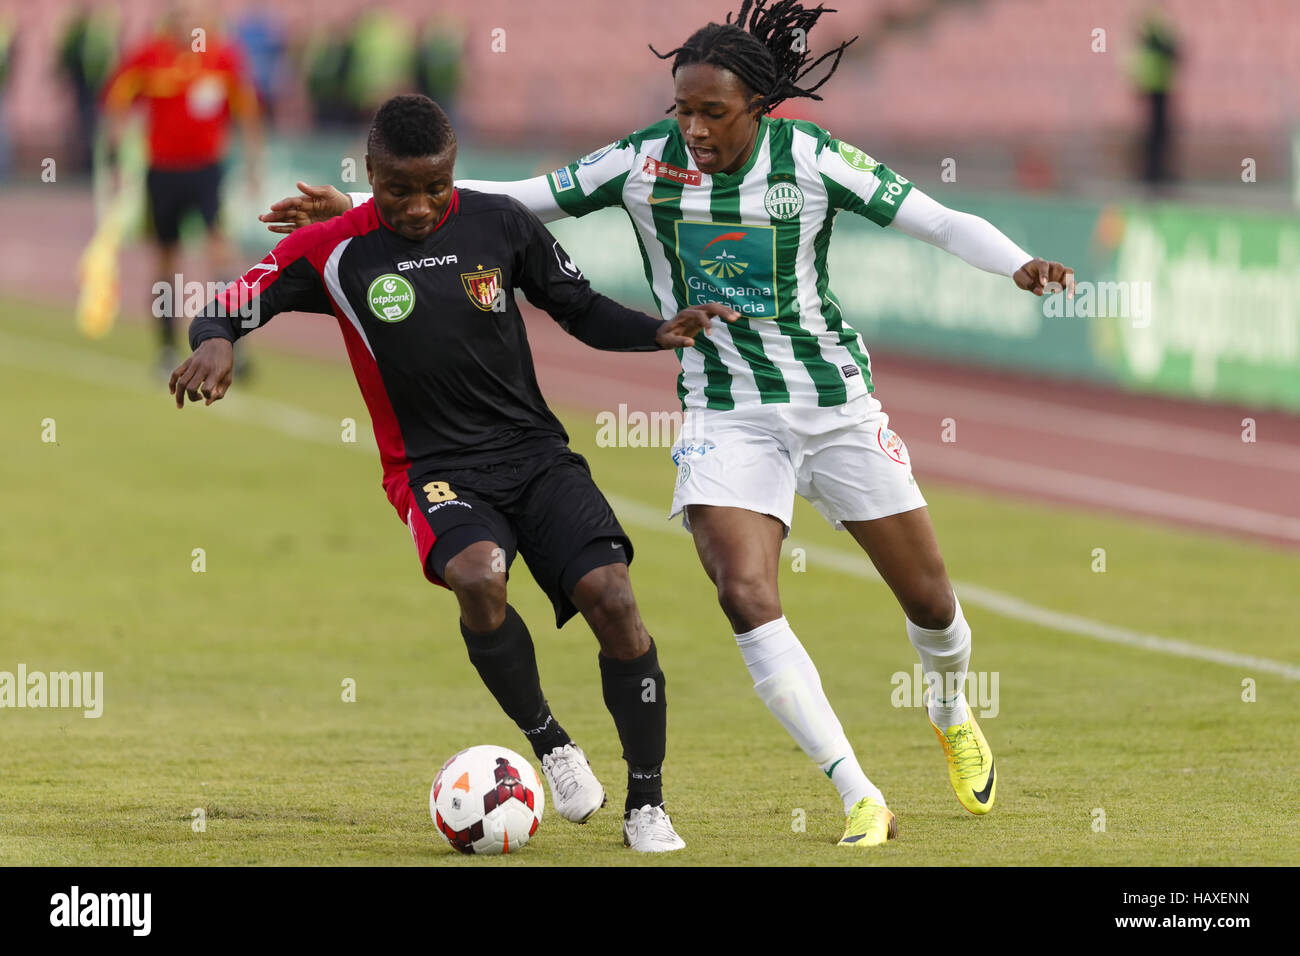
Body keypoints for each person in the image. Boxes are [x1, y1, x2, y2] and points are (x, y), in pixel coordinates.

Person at [261, 0, 1076, 848]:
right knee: (744, 594)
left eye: (711, 112)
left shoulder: (812, 158)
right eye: (682, 109)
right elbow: (520, 199)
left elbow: (935, 218)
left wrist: (1018, 262)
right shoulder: (644, 162)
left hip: (835, 405)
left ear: (756, 106)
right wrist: (364, 205)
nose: (692, 128)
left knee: (933, 605)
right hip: (725, 413)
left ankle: (947, 705)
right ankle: (857, 792)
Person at [173, 94, 736, 852]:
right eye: (398, 189)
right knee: (477, 576)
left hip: (535, 454)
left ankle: (647, 802)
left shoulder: (500, 222)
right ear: (370, 174)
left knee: (613, 597)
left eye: (435, 187)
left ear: (454, 170)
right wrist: (216, 340)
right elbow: (231, 301)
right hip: (433, 467)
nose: (418, 206)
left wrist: (654, 331)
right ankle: (550, 742)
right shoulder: (333, 248)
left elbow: (575, 306)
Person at [101, 2, 262, 375]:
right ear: (170, 20)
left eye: (195, 15)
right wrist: (114, 161)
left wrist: (254, 164)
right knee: (166, 261)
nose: (188, 23)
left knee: (221, 254)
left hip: (207, 172)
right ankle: (167, 349)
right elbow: (117, 104)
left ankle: (234, 345)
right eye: (181, 15)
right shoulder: (148, 56)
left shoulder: (223, 57)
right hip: (162, 172)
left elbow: (248, 113)